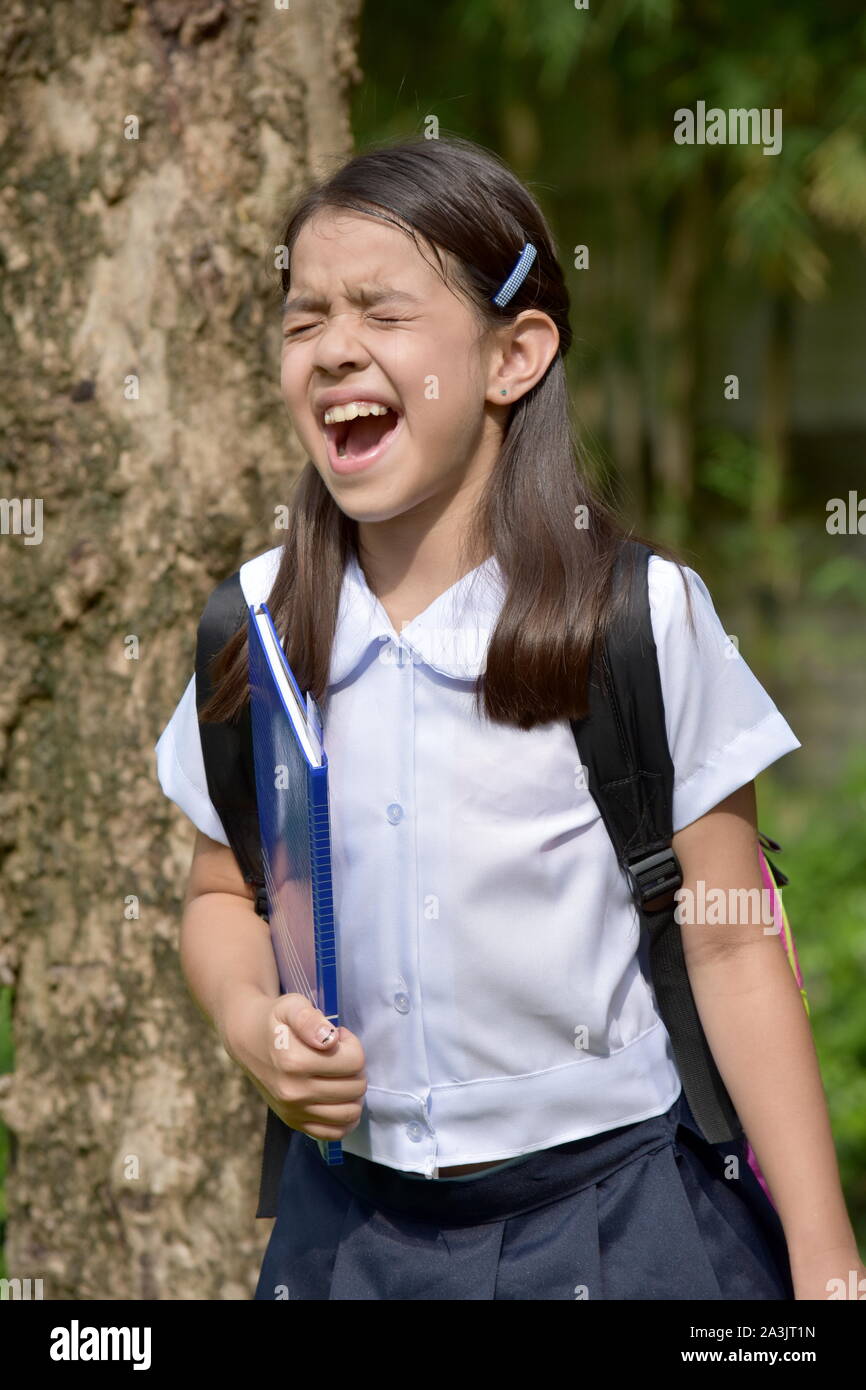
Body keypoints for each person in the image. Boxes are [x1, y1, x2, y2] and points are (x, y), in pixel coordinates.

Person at [154, 134, 864, 1301]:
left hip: (620, 1223)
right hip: (351, 1236)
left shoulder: (636, 614)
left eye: (383, 313)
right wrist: (250, 1024)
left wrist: (825, 1258)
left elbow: (732, 941)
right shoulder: (257, 625)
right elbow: (221, 891)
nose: (334, 348)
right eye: (303, 318)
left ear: (513, 355)